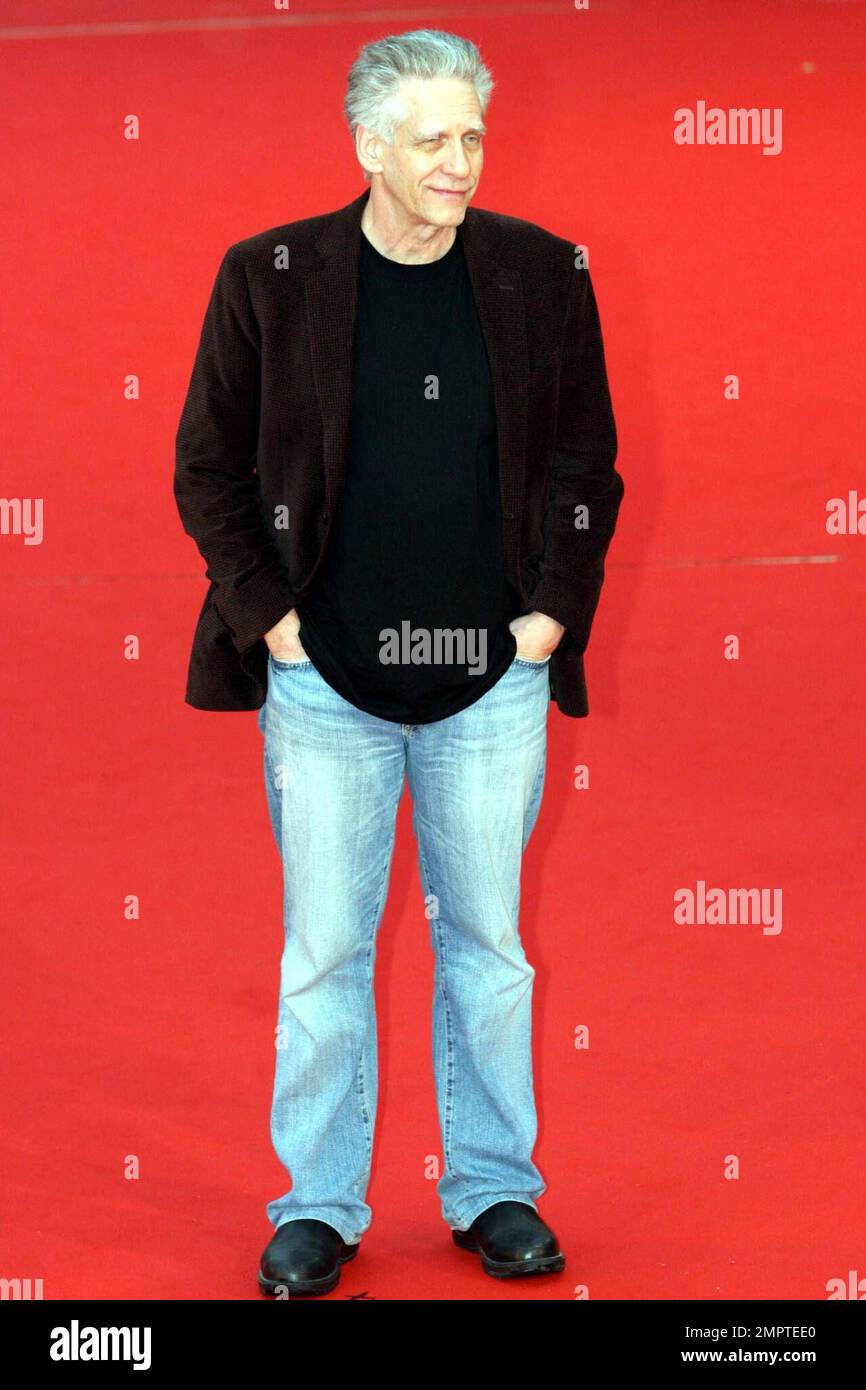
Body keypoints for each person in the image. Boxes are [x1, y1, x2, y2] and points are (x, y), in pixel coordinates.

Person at [174, 26, 623, 1297]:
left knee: (488, 943)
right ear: (366, 144)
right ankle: (316, 1201)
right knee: (323, 949)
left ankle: (492, 1188)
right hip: (325, 684)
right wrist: (269, 617)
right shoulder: (269, 276)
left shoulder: (542, 273)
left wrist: (545, 618)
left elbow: (588, 466)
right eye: (431, 139)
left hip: (493, 679)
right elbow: (207, 466)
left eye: (472, 134)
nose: (458, 161)